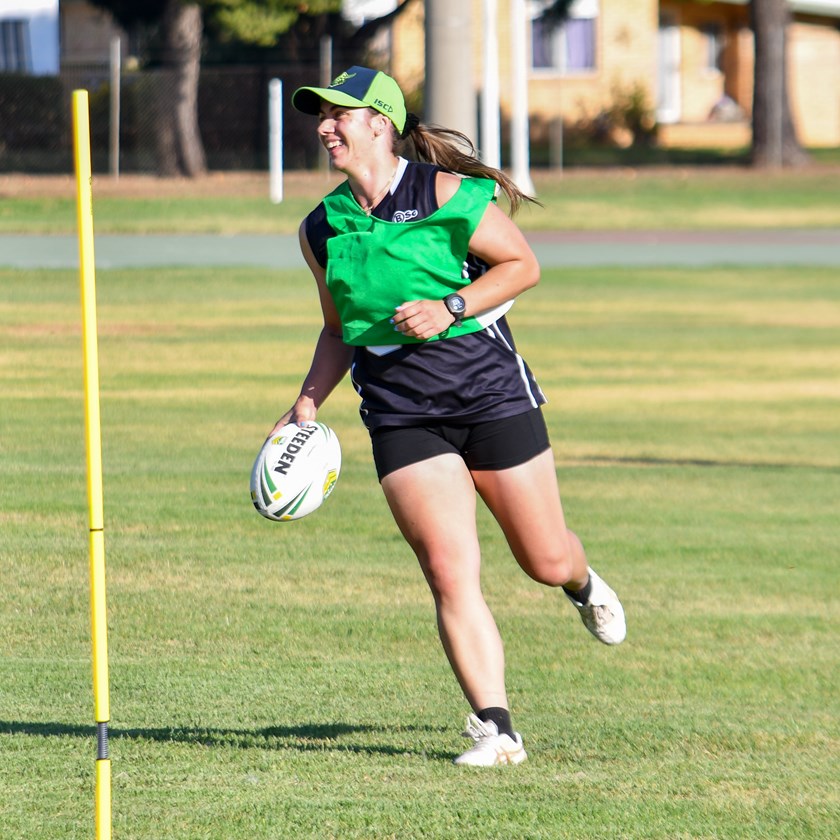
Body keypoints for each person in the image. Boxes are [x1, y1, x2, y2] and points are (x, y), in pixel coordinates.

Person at [274, 66, 626, 767]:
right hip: (401, 413)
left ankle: (581, 582)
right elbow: (339, 328)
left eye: (339, 114)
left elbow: (521, 265)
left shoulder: (440, 192)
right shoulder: (322, 227)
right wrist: (306, 402)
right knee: (447, 568)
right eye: (321, 115)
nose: (325, 127)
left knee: (544, 558)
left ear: (380, 123)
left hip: (491, 397)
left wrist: (450, 307)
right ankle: (498, 730)